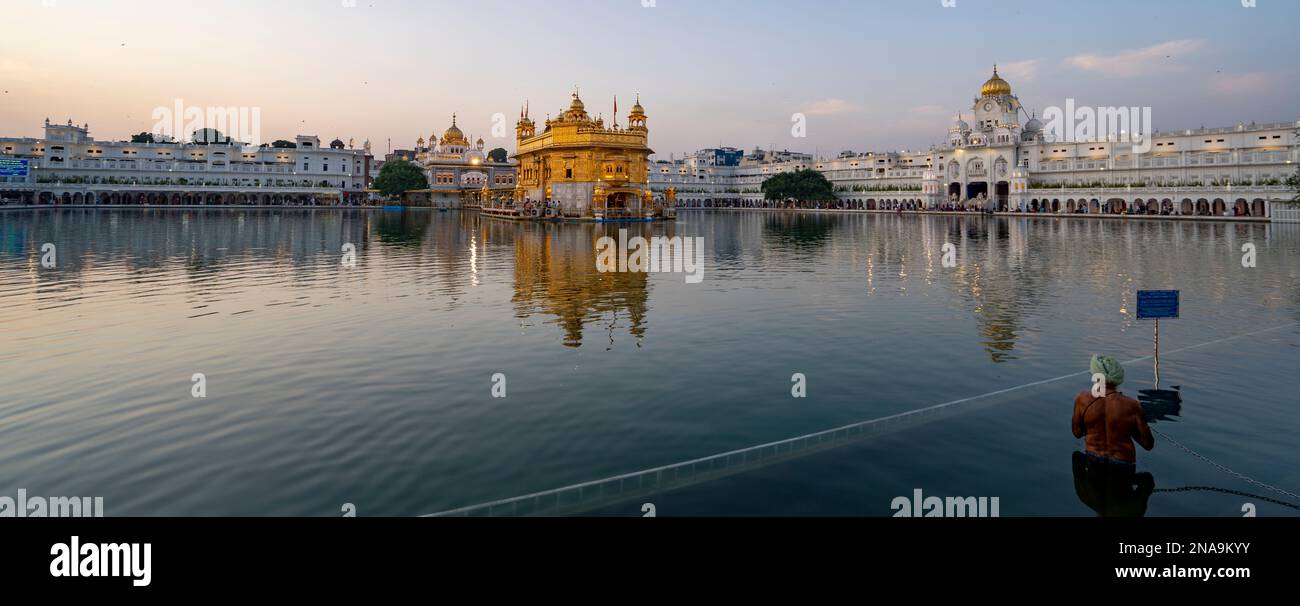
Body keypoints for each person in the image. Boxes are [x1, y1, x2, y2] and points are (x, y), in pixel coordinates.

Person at [1072, 355, 1154, 466]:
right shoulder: (1132, 405)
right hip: (1123, 463)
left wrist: (1094, 425)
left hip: (1093, 458)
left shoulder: (1082, 399)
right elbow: (1148, 444)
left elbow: (1077, 433)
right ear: (1118, 378)